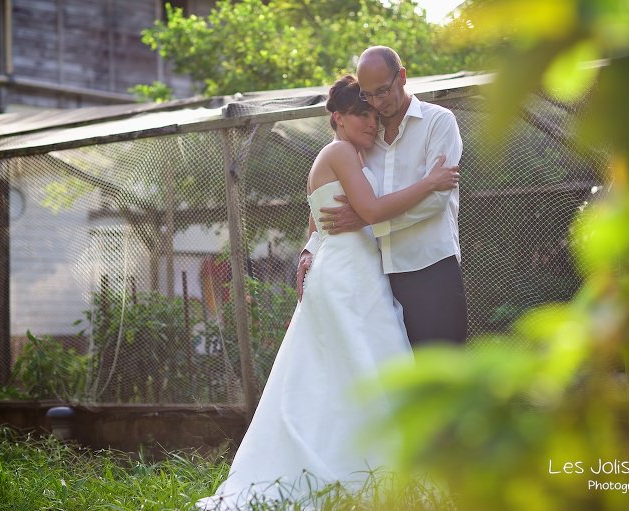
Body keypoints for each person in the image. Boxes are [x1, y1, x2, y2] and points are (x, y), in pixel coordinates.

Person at [195, 75, 459, 510]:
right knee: (364, 363)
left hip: (353, 269)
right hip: (346, 276)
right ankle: (367, 469)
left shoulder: (349, 154)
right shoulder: (338, 151)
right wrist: (431, 182)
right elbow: (370, 212)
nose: (371, 123)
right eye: (361, 115)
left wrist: (307, 248)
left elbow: (319, 220)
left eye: (374, 115)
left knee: (350, 370)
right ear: (337, 117)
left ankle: (373, 464)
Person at [298, 46, 468, 347]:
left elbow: (435, 201)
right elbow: (332, 192)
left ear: (401, 76)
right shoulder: (364, 136)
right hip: (379, 277)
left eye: (383, 91)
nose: (376, 103)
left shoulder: (439, 122)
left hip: (430, 268)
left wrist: (368, 220)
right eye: (367, 95)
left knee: (441, 374)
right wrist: (311, 247)